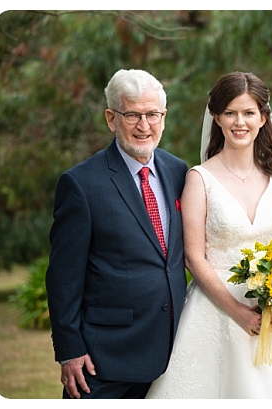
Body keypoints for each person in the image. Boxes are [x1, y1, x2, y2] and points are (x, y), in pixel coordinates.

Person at [147, 72, 272, 399]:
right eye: (230, 113)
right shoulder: (200, 179)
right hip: (214, 311)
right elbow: (193, 256)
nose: (239, 122)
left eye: (248, 113)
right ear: (216, 117)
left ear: (263, 118)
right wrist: (237, 311)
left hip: (270, 310)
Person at [45, 69, 188, 399]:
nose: (144, 125)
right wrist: (69, 350)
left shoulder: (179, 172)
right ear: (112, 118)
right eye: (132, 114)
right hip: (103, 359)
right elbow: (64, 276)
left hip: (174, 350)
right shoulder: (81, 184)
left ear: (163, 117)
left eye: (152, 114)